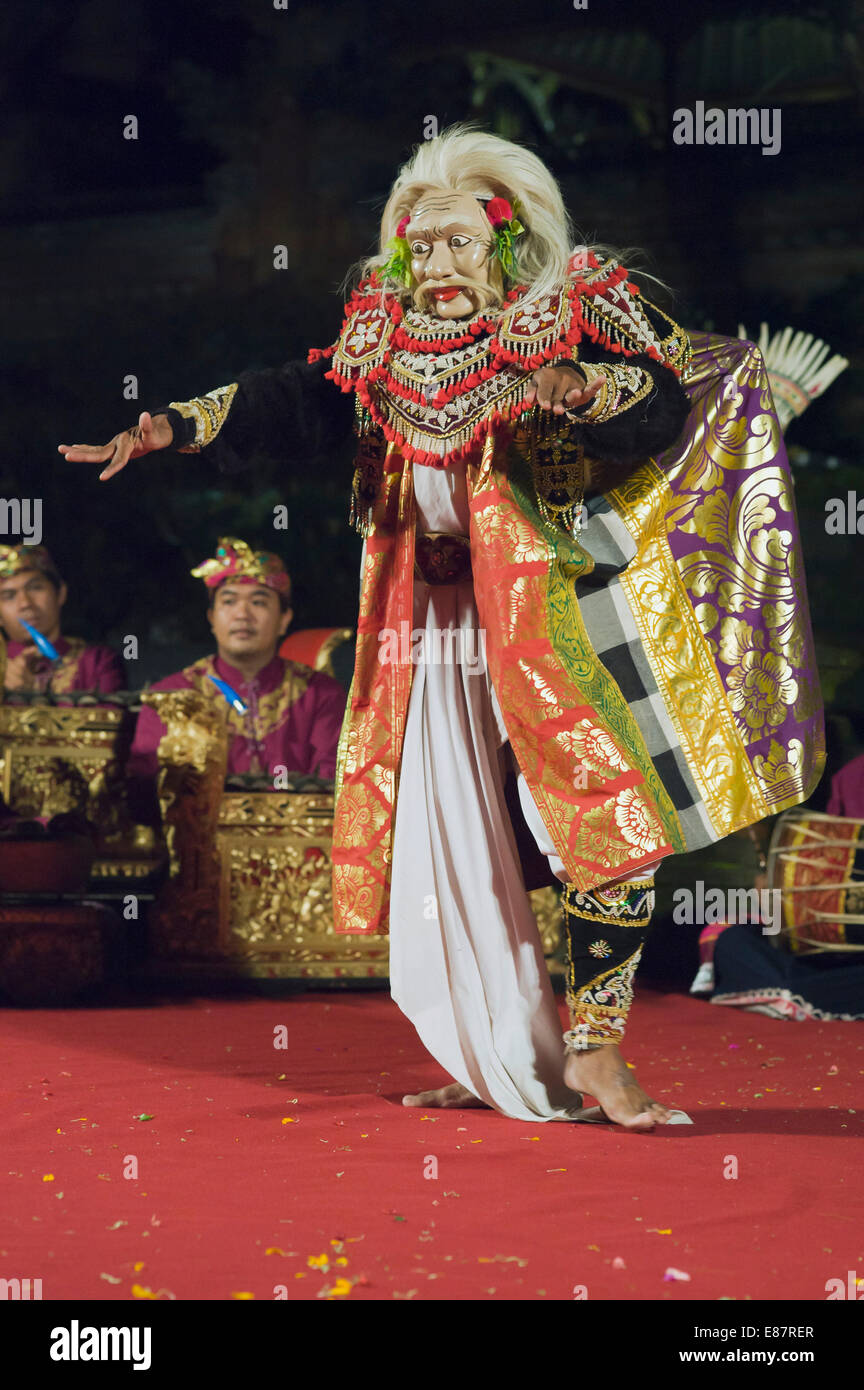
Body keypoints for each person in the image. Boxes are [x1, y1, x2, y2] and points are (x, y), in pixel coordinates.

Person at [58, 126, 823, 1129]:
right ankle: (490, 1047)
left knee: (606, 820)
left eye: (460, 243)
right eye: (423, 248)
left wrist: (585, 387)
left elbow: (659, 406)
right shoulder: (385, 339)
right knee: (457, 837)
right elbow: (300, 400)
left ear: (504, 243)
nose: (439, 266)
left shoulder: (564, 316)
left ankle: (593, 1053)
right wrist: (177, 423)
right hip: (425, 624)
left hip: (552, 614)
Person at [125, 537, 346, 822]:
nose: (243, 614)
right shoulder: (171, 695)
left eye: (259, 602)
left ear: (284, 619)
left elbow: (337, 784)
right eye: (229, 601)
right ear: (211, 618)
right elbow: (143, 790)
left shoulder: (320, 694)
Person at [0, 544, 126, 694]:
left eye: (35, 588)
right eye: (9, 596)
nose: (25, 603)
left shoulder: (97, 661)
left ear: (60, 594)